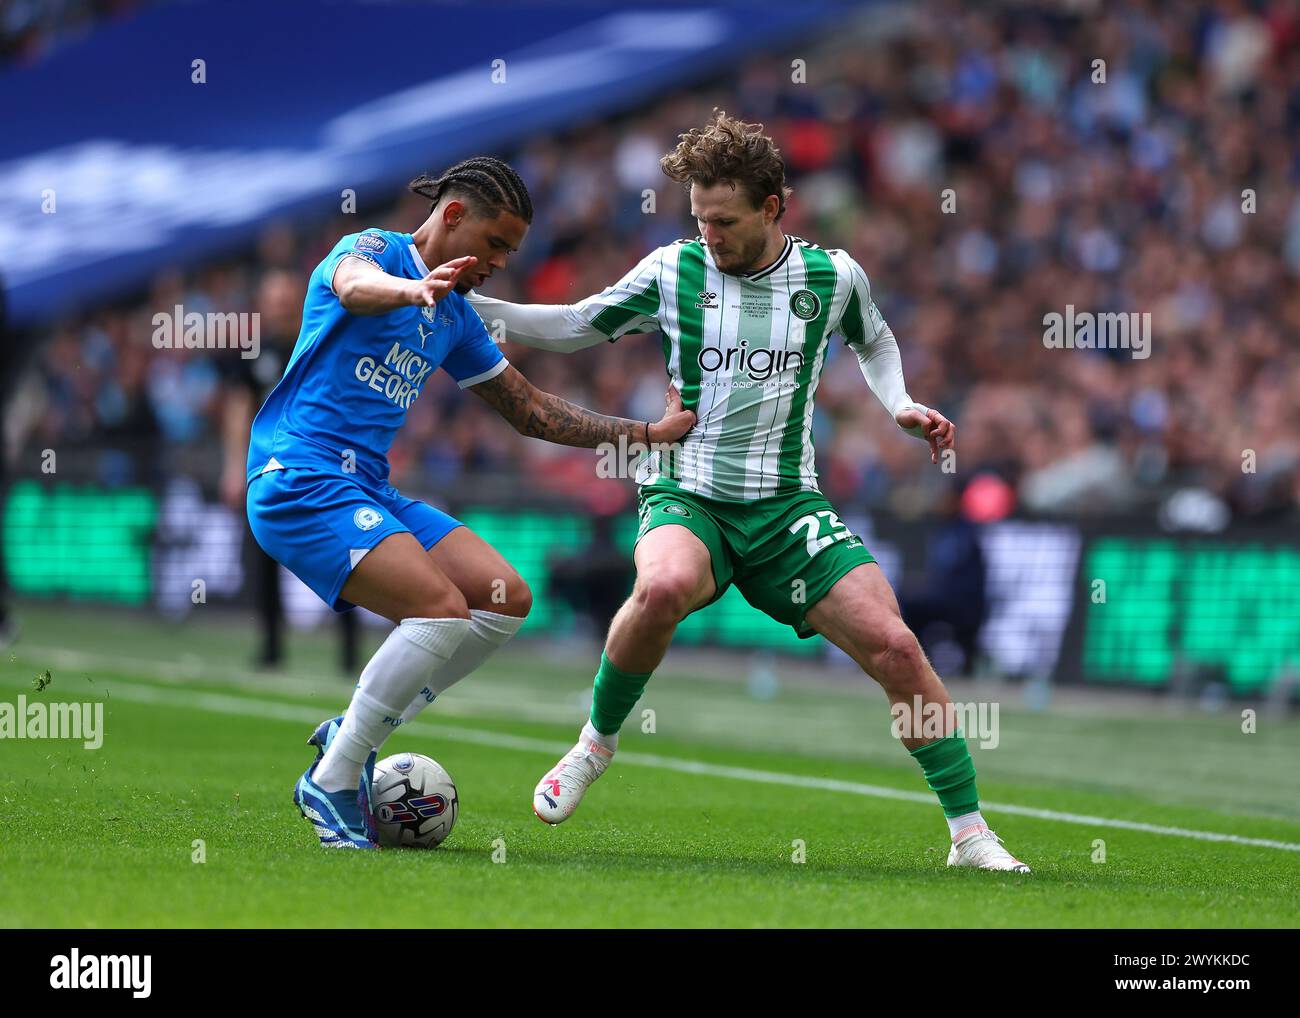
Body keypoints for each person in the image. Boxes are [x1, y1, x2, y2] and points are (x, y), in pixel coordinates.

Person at [468, 114, 1029, 872]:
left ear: (773, 208)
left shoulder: (832, 277)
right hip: (687, 492)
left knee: (897, 647)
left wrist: (897, 403)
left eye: (724, 222)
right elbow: (575, 324)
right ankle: (595, 744)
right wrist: (475, 308)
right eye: (699, 219)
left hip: (786, 505)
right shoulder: (675, 270)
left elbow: (875, 338)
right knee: (663, 584)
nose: (711, 236)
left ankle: (970, 836)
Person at [245, 157, 694, 848]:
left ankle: (360, 732)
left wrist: (643, 434)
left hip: (366, 486)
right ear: (453, 216)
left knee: (504, 596)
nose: (499, 264)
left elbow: (531, 411)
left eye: (510, 253)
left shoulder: (453, 315)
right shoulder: (373, 253)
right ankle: (332, 779)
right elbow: (354, 287)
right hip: (299, 477)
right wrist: (408, 290)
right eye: (495, 245)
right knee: (440, 611)